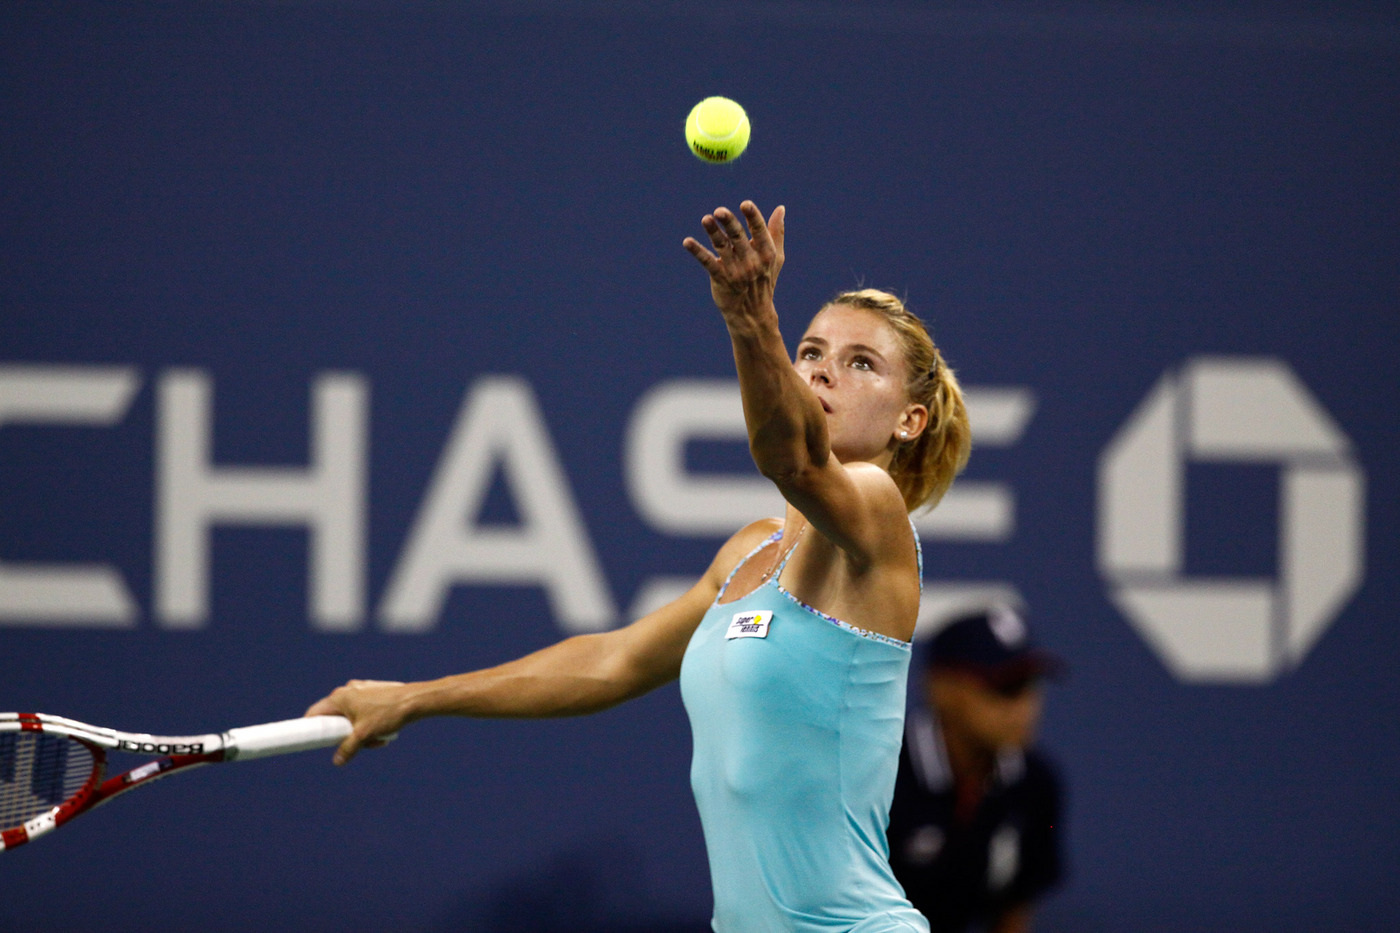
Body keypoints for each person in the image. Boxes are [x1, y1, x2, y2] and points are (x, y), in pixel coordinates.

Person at [306, 201, 972, 932]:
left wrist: (753, 322)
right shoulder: (746, 554)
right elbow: (614, 662)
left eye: (861, 363)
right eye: (810, 352)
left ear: (910, 419)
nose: (822, 373)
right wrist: (414, 696)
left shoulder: (879, 516)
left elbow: (796, 459)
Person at [886, 605, 1066, 933]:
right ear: (941, 688)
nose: (1024, 708)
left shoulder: (1036, 785)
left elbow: (1014, 907)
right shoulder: (878, 776)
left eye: (1031, 686)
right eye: (1004, 688)